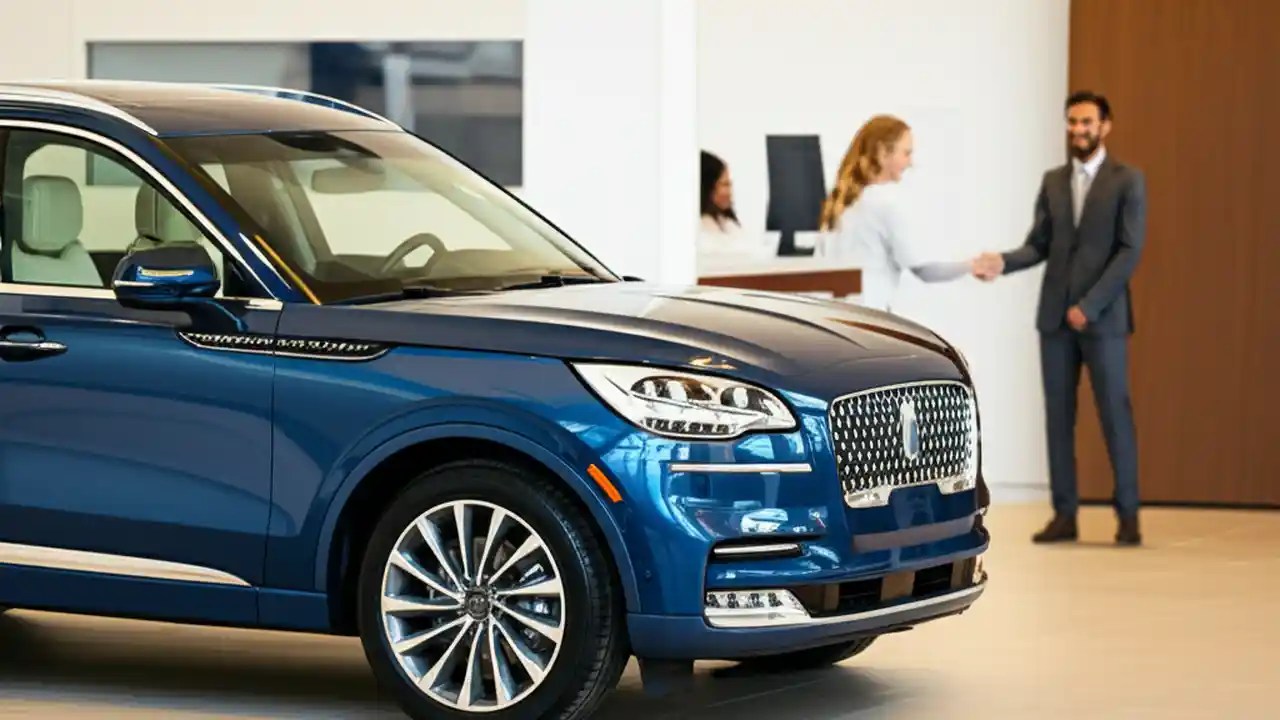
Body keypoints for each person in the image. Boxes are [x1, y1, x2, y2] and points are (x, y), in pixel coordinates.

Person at [973, 90, 1146, 546]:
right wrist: (1002, 262)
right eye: (1072, 122)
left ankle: (1128, 515)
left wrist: (1090, 305)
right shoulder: (1053, 181)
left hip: (1104, 320)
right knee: (1057, 417)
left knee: (1115, 414)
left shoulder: (1128, 180)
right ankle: (1064, 514)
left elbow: (1129, 251)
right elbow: (1039, 245)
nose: (1078, 130)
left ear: (1104, 126)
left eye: (1086, 122)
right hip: (1054, 320)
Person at [818, 115, 974, 313]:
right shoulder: (883, 203)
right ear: (883, 152)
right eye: (906, 153)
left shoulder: (840, 204)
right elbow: (924, 270)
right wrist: (973, 266)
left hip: (838, 316)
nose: (910, 163)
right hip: (870, 316)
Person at [697, 150, 768, 259]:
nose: (730, 192)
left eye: (729, 184)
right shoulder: (700, 231)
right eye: (725, 184)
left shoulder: (726, 223)